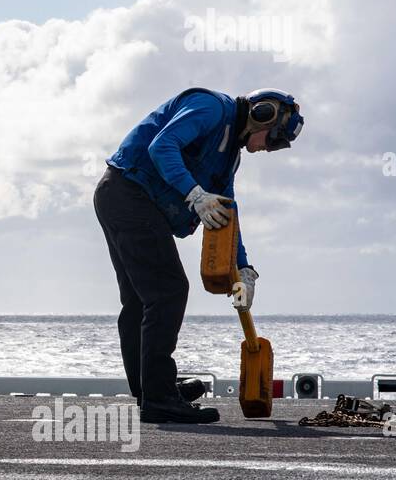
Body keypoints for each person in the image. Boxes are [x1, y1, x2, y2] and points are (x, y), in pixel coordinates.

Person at [95, 88, 303, 424]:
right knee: (168, 291)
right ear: (261, 114)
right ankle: (159, 398)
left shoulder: (229, 158)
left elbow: (226, 213)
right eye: (274, 138)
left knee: (139, 300)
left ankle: (150, 388)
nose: (269, 147)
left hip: (126, 200)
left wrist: (244, 269)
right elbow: (162, 146)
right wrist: (195, 196)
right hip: (127, 193)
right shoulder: (210, 108)